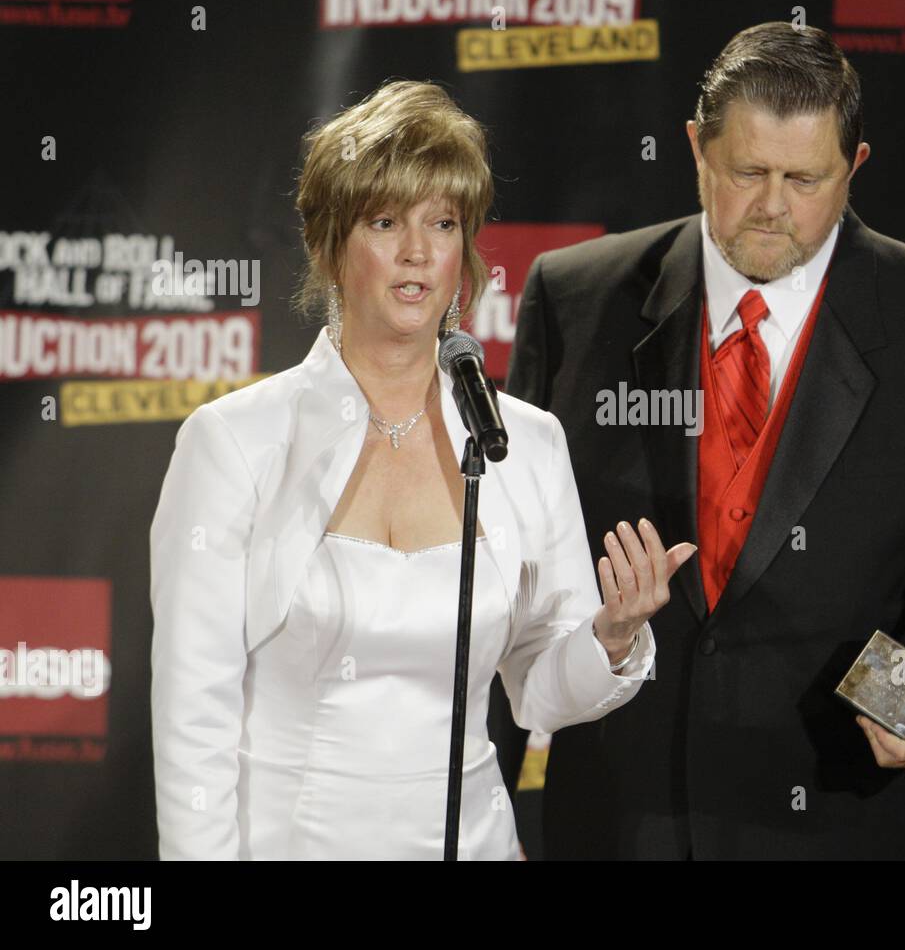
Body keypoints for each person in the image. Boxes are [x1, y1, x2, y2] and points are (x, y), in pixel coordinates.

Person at [504, 23, 905, 859]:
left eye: (804, 178)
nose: (773, 205)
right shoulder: (574, 298)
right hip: (618, 822)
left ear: (855, 167)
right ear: (696, 149)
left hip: (847, 822)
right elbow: (507, 575)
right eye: (747, 172)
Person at [148, 80, 694, 860]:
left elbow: (538, 691)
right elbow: (190, 716)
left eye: (443, 223)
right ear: (331, 245)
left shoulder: (524, 443)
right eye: (385, 221)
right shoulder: (233, 442)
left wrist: (610, 636)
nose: (417, 252)